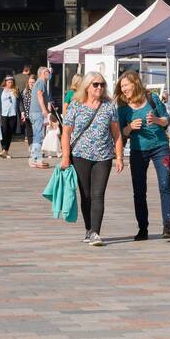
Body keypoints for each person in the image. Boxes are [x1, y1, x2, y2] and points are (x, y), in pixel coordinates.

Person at [60, 73, 124, 246]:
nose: (99, 88)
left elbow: (116, 133)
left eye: (102, 85)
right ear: (87, 86)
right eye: (95, 84)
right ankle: (89, 229)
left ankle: (95, 232)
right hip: (80, 156)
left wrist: (119, 156)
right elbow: (66, 132)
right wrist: (65, 157)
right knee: (86, 195)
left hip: (103, 157)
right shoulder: (76, 105)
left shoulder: (109, 106)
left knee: (98, 195)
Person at [116, 70, 170, 240]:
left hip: (160, 147)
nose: (124, 89)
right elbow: (121, 133)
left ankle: (167, 226)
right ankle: (143, 228)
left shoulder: (152, 98)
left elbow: (166, 120)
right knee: (139, 190)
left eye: (126, 85)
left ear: (135, 83)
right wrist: (130, 127)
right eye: (122, 86)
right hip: (137, 150)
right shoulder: (123, 107)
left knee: (165, 185)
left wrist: (156, 120)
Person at [0, 74, 21, 158]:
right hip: (3, 114)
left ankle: (6, 151)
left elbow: (20, 103)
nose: (10, 84)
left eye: (11, 82)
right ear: (5, 82)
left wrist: (22, 112)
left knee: (9, 133)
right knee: (4, 132)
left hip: (13, 114)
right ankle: (4, 150)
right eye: (8, 82)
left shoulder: (16, 90)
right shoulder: (0, 90)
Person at [28, 66, 52, 169]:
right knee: (39, 136)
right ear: (42, 73)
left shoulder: (39, 82)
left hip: (34, 112)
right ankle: (36, 159)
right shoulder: (41, 82)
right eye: (47, 71)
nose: (49, 73)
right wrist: (44, 110)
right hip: (38, 112)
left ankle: (33, 158)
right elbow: (39, 95)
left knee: (36, 136)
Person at [20, 77, 34, 149]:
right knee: (29, 132)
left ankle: (38, 147)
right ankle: (31, 147)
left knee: (37, 132)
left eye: (33, 82)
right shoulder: (24, 91)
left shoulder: (37, 91)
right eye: (30, 82)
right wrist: (22, 112)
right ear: (28, 83)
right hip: (27, 115)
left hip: (36, 115)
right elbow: (21, 103)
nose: (31, 84)